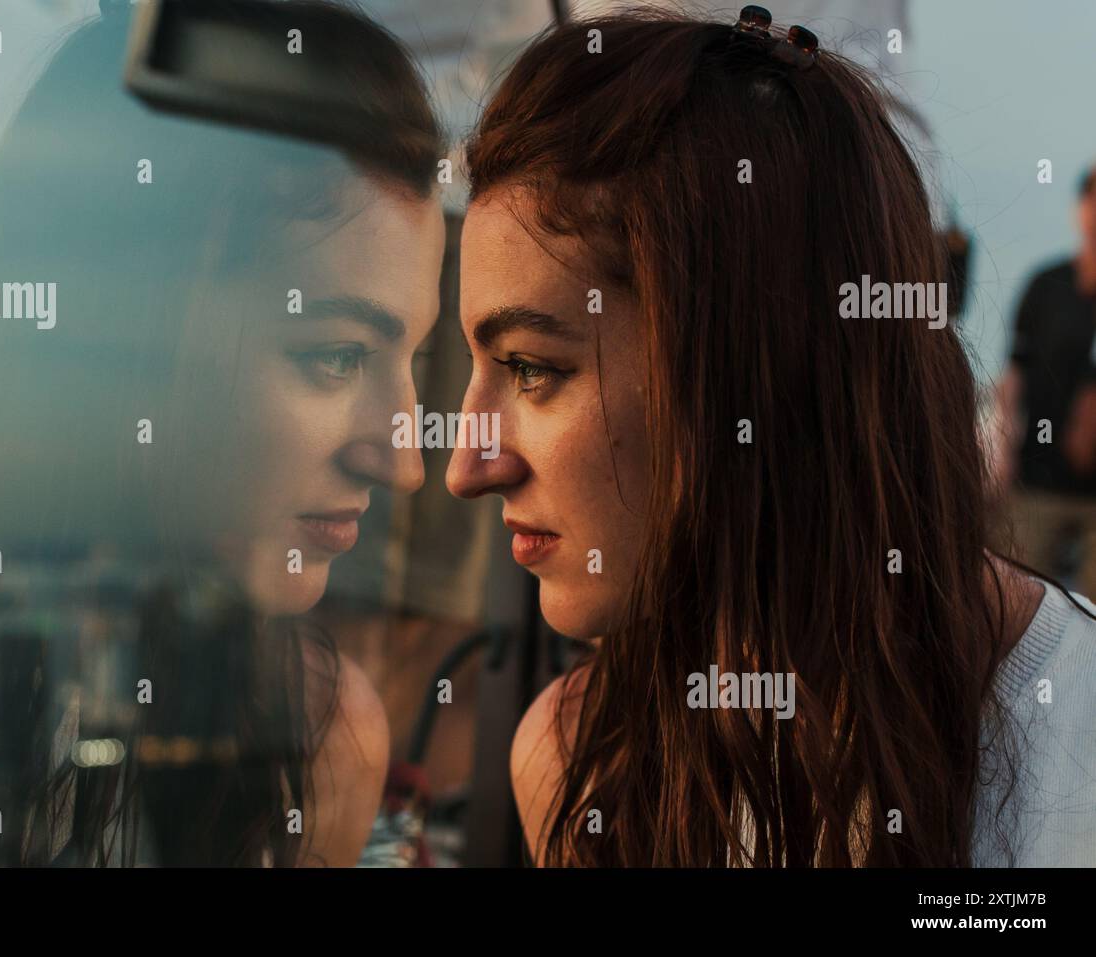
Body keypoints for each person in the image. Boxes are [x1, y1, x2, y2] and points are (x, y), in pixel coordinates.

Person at [447, 10, 1096, 866]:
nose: (465, 465)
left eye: (531, 367)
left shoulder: (1072, 731)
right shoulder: (577, 758)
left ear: (749, 363)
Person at [0, 0, 445, 866]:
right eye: (339, 357)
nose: (406, 461)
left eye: (414, 359)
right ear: (123, 327)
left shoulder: (323, 739)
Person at [993, 167, 1096, 595]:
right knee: (1017, 602)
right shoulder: (1046, 284)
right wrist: (1001, 449)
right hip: (1037, 481)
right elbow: (1014, 372)